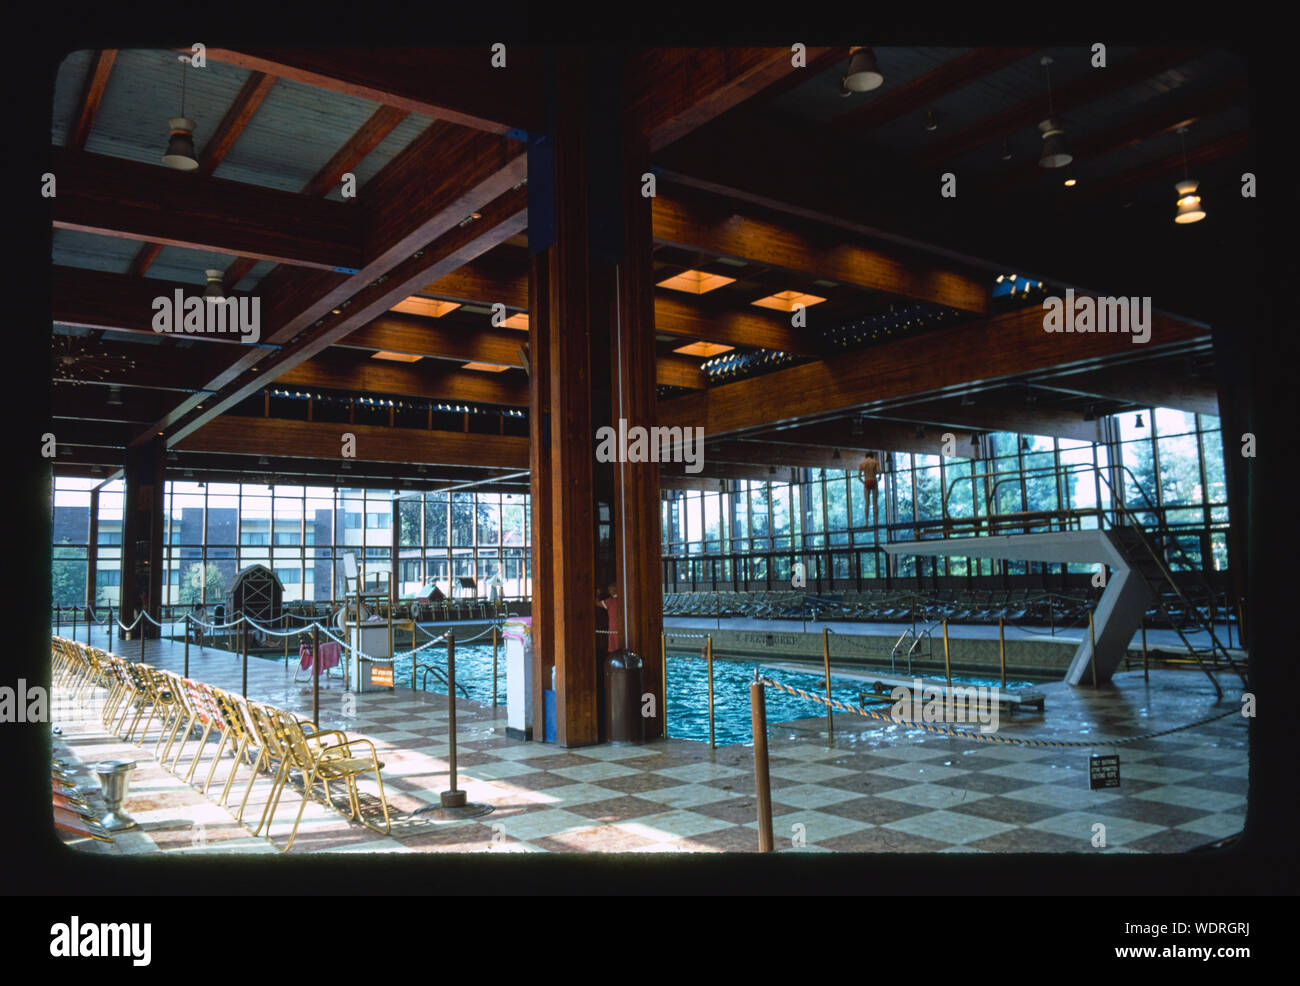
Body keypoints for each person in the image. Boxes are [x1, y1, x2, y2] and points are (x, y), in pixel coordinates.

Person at [858, 451, 881, 524]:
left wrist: (863, 482)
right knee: (875, 502)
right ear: (872, 456)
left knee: (867, 502)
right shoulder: (875, 462)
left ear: (866, 456)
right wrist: (879, 478)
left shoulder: (862, 464)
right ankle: (876, 521)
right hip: (873, 481)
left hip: (867, 481)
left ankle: (867, 521)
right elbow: (879, 472)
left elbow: (859, 477)